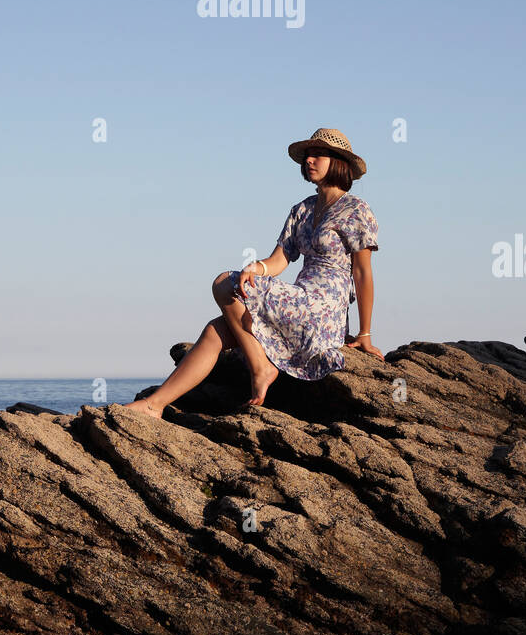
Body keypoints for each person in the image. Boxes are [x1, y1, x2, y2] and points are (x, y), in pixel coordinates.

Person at [124, 128, 383, 418]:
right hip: (298, 298)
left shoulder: (356, 209)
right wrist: (255, 268)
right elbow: (279, 260)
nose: (309, 160)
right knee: (216, 330)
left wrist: (364, 333)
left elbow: (362, 274)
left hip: (322, 310)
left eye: (318, 155)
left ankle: (261, 368)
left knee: (224, 283)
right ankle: (153, 405)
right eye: (307, 155)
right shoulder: (302, 210)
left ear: (338, 163)